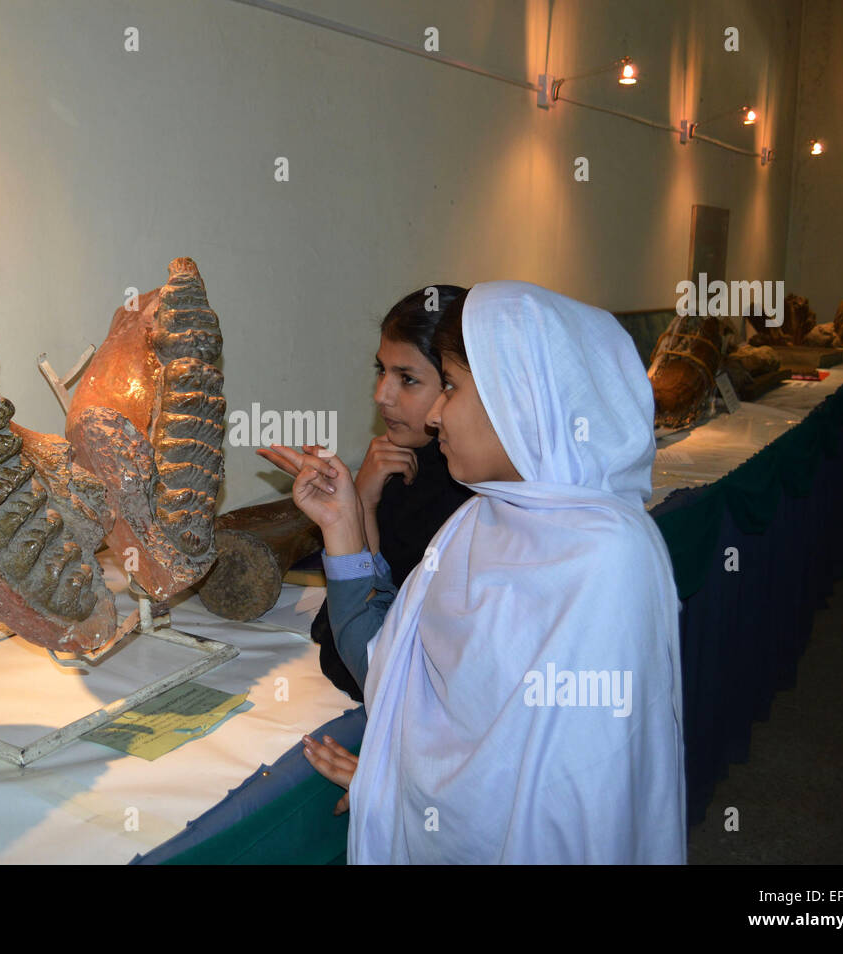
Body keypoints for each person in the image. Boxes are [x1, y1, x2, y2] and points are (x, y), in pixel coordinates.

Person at [266, 281, 686, 863]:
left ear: (519, 398)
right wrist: (342, 527)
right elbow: (386, 668)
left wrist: (397, 792)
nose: (435, 415)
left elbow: (563, 806)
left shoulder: (605, 560)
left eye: (452, 387)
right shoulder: (477, 522)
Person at [259, 286, 473, 702]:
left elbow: (361, 659)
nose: (381, 396)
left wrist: (355, 513)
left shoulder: (464, 495)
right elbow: (348, 632)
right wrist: (363, 503)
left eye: (407, 379)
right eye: (382, 371)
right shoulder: (400, 466)